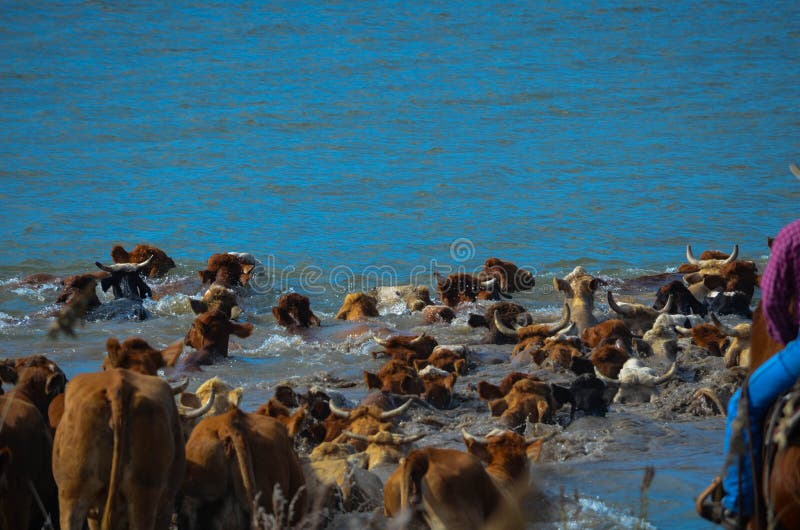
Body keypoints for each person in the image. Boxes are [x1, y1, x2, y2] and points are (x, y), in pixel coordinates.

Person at [698, 218, 800, 528]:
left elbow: (771, 302)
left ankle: (737, 505)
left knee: (742, 406)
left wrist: (786, 339)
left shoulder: (793, 236)